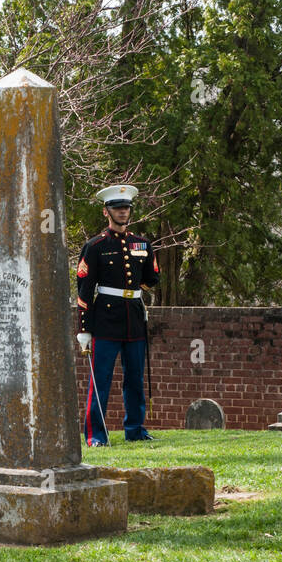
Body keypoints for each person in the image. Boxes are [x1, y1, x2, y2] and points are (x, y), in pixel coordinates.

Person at [76, 184, 159, 444]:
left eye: (126, 208)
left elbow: (152, 278)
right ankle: (95, 435)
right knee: (100, 380)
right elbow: (84, 290)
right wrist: (84, 329)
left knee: (135, 379)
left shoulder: (142, 243)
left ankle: (135, 430)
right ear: (106, 212)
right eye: (117, 208)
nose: (123, 212)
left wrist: (135, 291)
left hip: (134, 317)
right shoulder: (95, 246)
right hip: (105, 320)